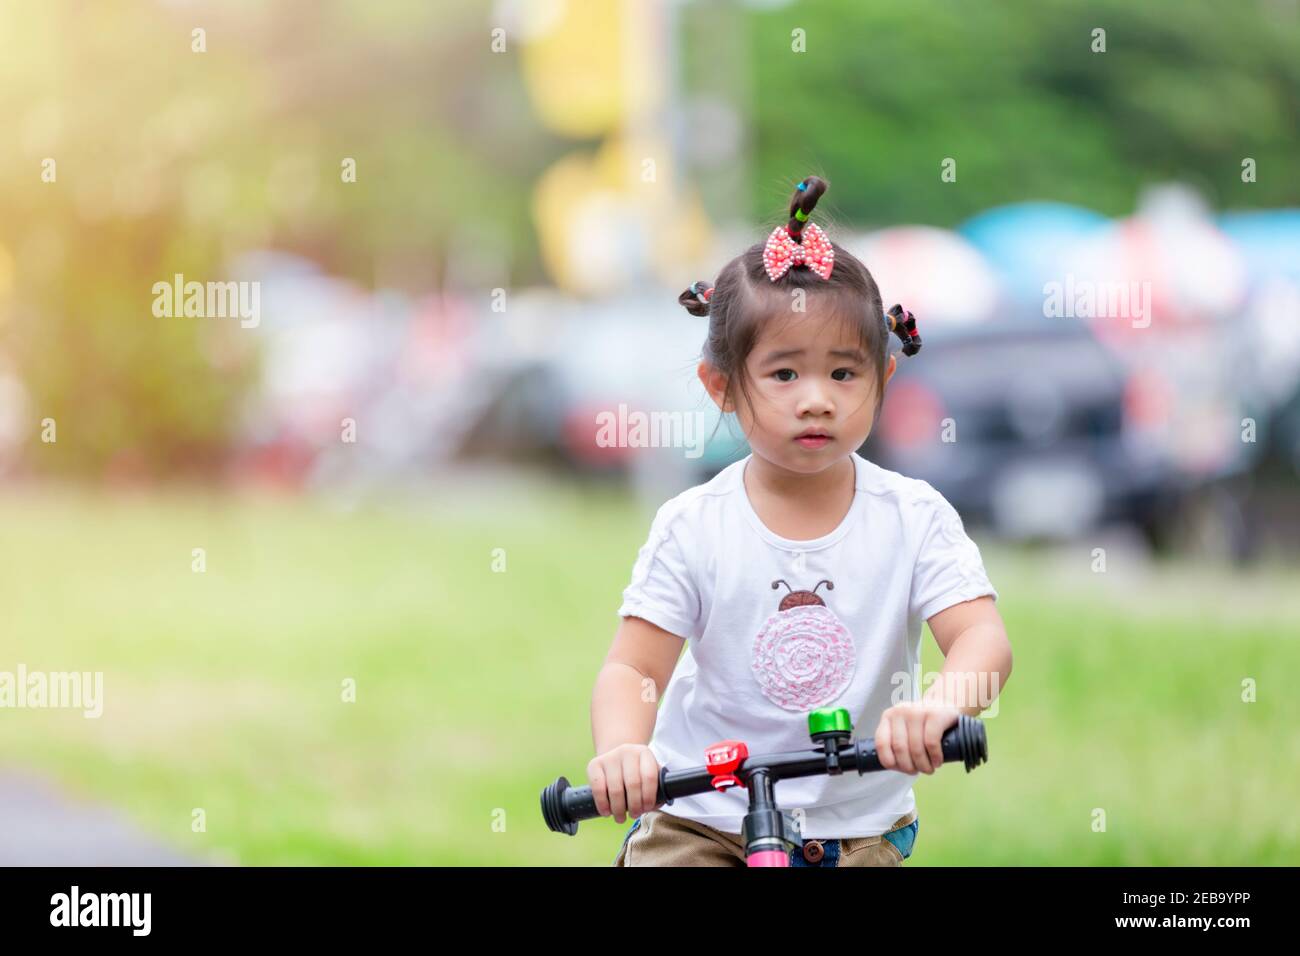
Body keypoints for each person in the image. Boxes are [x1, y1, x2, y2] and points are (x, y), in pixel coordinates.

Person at [591, 176, 1013, 867]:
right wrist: (623, 751)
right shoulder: (694, 526)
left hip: (859, 826)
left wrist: (939, 707)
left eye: (843, 375)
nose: (816, 401)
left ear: (883, 375)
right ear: (721, 386)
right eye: (784, 375)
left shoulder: (912, 518)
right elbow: (634, 667)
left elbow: (982, 642)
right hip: (705, 818)